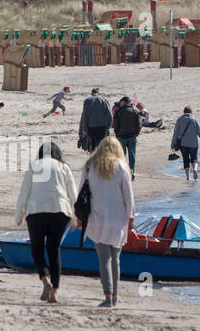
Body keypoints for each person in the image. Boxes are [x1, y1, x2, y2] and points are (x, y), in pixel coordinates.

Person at [15, 141, 78, 304]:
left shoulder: (34, 166)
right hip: (60, 210)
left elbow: (24, 192)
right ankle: (55, 292)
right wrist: (76, 218)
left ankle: (45, 280)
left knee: (37, 248)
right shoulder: (64, 167)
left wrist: (19, 216)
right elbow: (73, 193)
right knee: (53, 250)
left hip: (36, 212)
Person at [80, 136, 134, 307]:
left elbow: (81, 193)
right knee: (115, 258)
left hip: (96, 218)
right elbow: (129, 196)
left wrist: (80, 217)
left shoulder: (89, 166)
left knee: (104, 259)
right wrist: (131, 217)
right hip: (117, 219)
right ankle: (115, 296)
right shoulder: (122, 168)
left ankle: (108, 296)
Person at [170, 106, 200, 182]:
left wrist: (172, 143)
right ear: (191, 112)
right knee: (194, 158)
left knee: (185, 160)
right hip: (193, 143)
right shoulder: (194, 120)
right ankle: (195, 169)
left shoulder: (179, 119)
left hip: (183, 144)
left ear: (184, 111)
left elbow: (176, 133)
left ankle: (188, 177)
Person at [112, 95, 142, 178]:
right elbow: (139, 124)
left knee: (122, 156)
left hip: (122, 137)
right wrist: (136, 133)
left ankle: (123, 174)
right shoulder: (135, 111)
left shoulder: (118, 112)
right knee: (132, 155)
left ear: (123, 102)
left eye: (121, 103)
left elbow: (116, 125)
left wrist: (117, 134)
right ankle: (131, 173)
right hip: (132, 136)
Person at [79, 87, 112, 152]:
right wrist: (108, 127)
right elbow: (110, 115)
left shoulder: (87, 100)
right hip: (102, 127)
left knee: (92, 147)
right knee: (101, 147)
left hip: (91, 127)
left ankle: (93, 160)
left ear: (92, 93)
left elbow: (85, 116)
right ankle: (101, 160)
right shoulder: (104, 100)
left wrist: (85, 129)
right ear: (99, 93)